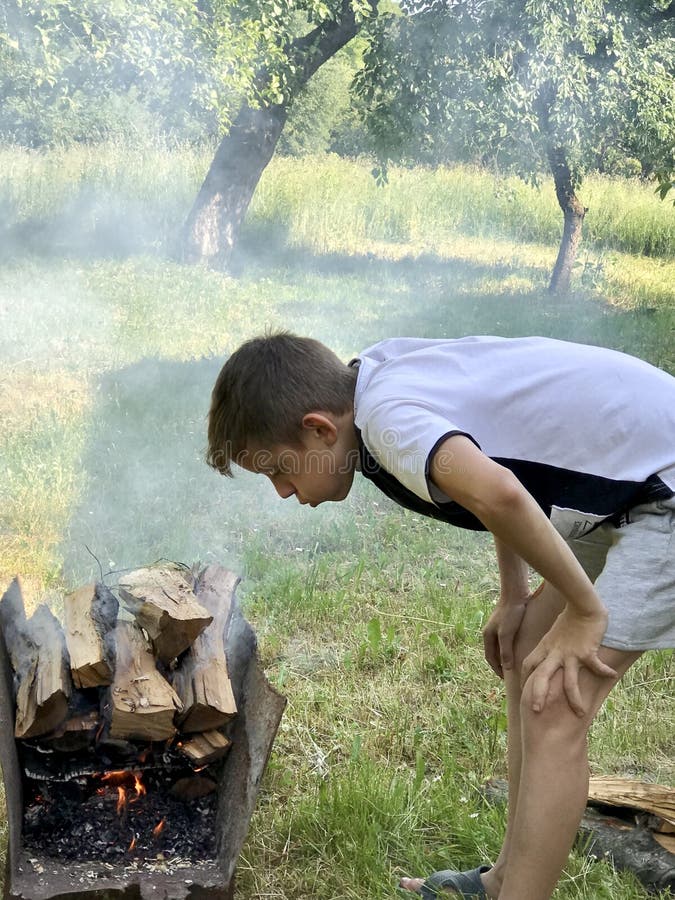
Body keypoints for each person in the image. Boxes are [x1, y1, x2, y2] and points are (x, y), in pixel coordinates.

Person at [206, 332, 675, 900]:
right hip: (625, 488)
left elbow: (499, 492)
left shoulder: (388, 423)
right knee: (528, 646)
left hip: (660, 493)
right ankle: (503, 880)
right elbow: (494, 470)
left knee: (555, 702)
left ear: (320, 429)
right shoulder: (373, 381)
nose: (282, 491)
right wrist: (513, 593)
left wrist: (584, 610)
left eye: (280, 469)